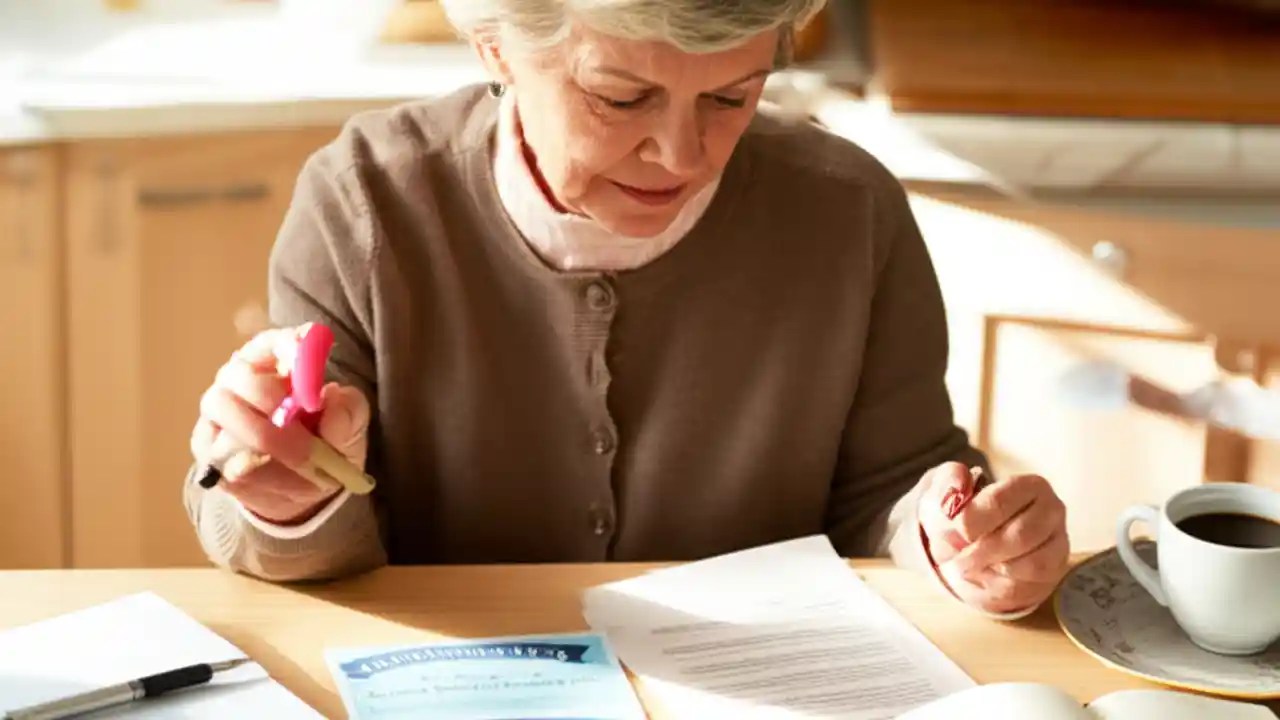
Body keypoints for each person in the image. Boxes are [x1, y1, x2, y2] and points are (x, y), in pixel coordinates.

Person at [183, 0, 1070, 619]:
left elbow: (889, 489)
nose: (681, 154)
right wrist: (288, 502)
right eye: (619, 97)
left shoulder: (849, 211)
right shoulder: (366, 204)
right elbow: (297, 551)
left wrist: (958, 544)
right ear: (497, 46)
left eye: (731, 97)